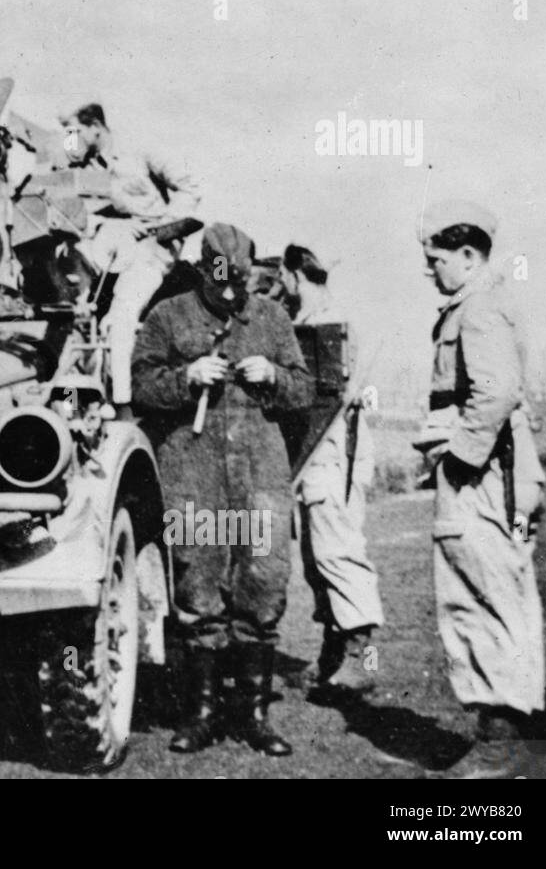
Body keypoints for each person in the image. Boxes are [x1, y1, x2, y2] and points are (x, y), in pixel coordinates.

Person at [132, 223, 314, 755]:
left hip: (259, 475)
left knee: (263, 582)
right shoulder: (167, 317)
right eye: (221, 284)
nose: (232, 294)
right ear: (202, 271)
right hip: (194, 473)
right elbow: (141, 385)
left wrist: (275, 377)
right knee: (197, 587)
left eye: (240, 283)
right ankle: (201, 713)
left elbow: (305, 390)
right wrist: (186, 377)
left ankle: (254, 716)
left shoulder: (273, 317)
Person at [414, 200, 546, 778]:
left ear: (469, 257)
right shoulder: (477, 304)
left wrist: (459, 459)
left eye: (437, 259)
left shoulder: (479, 309)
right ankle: (499, 735)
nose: (431, 270)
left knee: (483, 595)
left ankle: (501, 740)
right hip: (490, 468)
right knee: (488, 594)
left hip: (484, 475)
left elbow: (493, 394)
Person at [280, 244, 384, 696]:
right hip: (313, 455)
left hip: (336, 448)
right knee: (316, 559)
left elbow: (353, 389)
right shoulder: (302, 322)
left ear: (293, 275)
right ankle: (332, 656)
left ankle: (361, 656)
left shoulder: (335, 321)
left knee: (336, 549)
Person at [57, 102, 204, 408]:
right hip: (110, 244)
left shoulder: (140, 149)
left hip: (151, 247)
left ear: (95, 127)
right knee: (74, 307)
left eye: (74, 132)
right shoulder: (82, 166)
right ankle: (81, 397)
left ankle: (120, 404)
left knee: (119, 320)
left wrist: (159, 231)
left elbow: (190, 188)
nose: (69, 141)